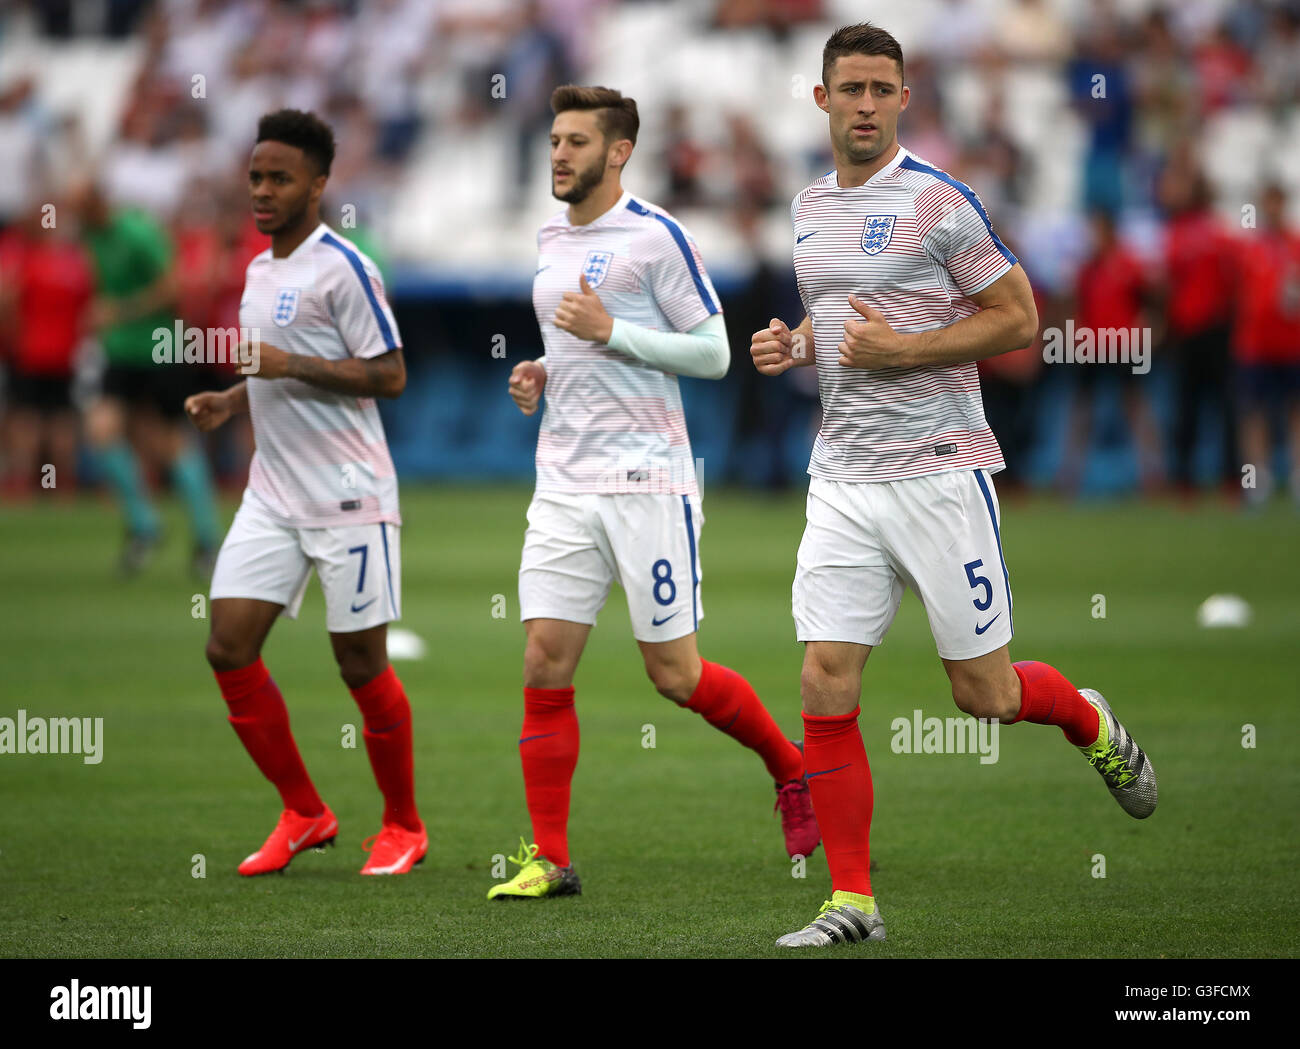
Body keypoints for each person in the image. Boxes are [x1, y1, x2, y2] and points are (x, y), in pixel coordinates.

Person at [750, 23, 1158, 949]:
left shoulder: (941, 203)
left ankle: (1087, 716)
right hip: (843, 475)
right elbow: (839, 316)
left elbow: (1017, 317)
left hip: (940, 471)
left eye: (880, 89)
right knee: (823, 677)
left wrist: (904, 349)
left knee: (984, 694)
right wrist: (797, 344)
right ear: (821, 100)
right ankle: (852, 900)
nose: (863, 104)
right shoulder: (809, 205)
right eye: (847, 88)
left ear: (903, 97)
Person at [489, 85, 819, 900]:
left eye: (575, 141)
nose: (559, 154)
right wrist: (541, 373)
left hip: (647, 480)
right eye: (555, 140)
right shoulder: (546, 236)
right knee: (543, 659)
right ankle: (551, 858)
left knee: (674, 675)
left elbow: (713, 355)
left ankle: (792, 769)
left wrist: (613, 333)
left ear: (619, 151)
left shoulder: (657, 238)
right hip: (564, 477)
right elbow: (569, 349)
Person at [185, 109, 424, 877]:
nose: (261, 191)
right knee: (227, 644)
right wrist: (235, 397)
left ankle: (403, 825)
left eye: (279, 178)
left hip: (350, 496)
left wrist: (286, 366)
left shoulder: (343, 267)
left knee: (359, 663)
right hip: (274, 494)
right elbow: (275, 367)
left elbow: (389, 374)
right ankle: (305, 810)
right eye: (255, 176)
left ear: (318, 185)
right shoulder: (259, 271)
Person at [73, 178, 222, 576]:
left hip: (161, 346)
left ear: (97, 203)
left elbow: (173, 289)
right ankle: (145, 523)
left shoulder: (138, 233)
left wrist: (119, 311)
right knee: (103, 429)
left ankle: (207, 540)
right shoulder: (90, 237)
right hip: (121, 352)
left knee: (172, 441)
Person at [1233, 183, 1300, 506]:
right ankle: (1256, 480)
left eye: (1276, 201)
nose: (1271, 208)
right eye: (1266, 202)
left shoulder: (1296, 245)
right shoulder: (1251, 248)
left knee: (1295, 411)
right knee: (1253, 413)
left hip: (1292, 345)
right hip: (1255, 345)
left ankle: (1297, 477)